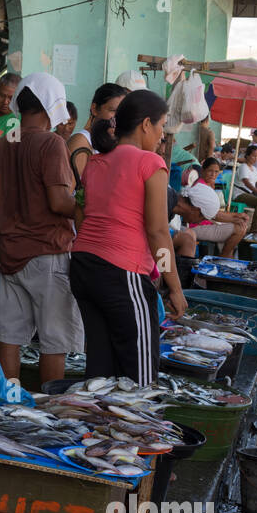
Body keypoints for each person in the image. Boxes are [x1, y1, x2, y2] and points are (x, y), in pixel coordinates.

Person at [70, 89, 187, 384]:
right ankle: (141, 428)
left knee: (101, 369)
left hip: (83, 267)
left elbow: (82, 213)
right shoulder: (150, 163)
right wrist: (174, 285)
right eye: (161, 126)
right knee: (141, 376)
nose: (162, 136)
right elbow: (158, 231)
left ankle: (97, 428)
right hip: (121, 273)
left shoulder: (96, 163)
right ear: (146, 124)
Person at [0, 73, 78, 386]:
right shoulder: (51, 143)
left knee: (10, 337)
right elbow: (59, 201)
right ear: (50, 107)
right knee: (55, 342)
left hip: (10, 254)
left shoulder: (3, 144)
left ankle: (9, 408)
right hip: (48, 253)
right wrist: (86, 204)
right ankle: (52, 411)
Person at [176, 167, 249, 257]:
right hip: (196, 228)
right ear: (203, 171)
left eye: (216, 172)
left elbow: (213, 215)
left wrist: (235, 217)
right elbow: (214, 216)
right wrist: (234, 217)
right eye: (210, 171)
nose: (213, 174)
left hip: (198, 227)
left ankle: (225, 258)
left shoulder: (205, 187)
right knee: (239, 229)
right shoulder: (200, 187)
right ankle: (224, 258)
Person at [66, 83, 127, 184]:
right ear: (94, 109)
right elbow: (68, 191)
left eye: (122, 113)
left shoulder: (114, 142)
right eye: (112, 111)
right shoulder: (81, 142)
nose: (117, 118)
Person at [229, 143, 257, 234]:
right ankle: (254, 228)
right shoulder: (243, 167)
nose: (256, 158)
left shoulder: (254, 169)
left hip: (248, 194)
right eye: (253, 156)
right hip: (239, 194)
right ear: (247, 156)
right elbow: (246, 183)